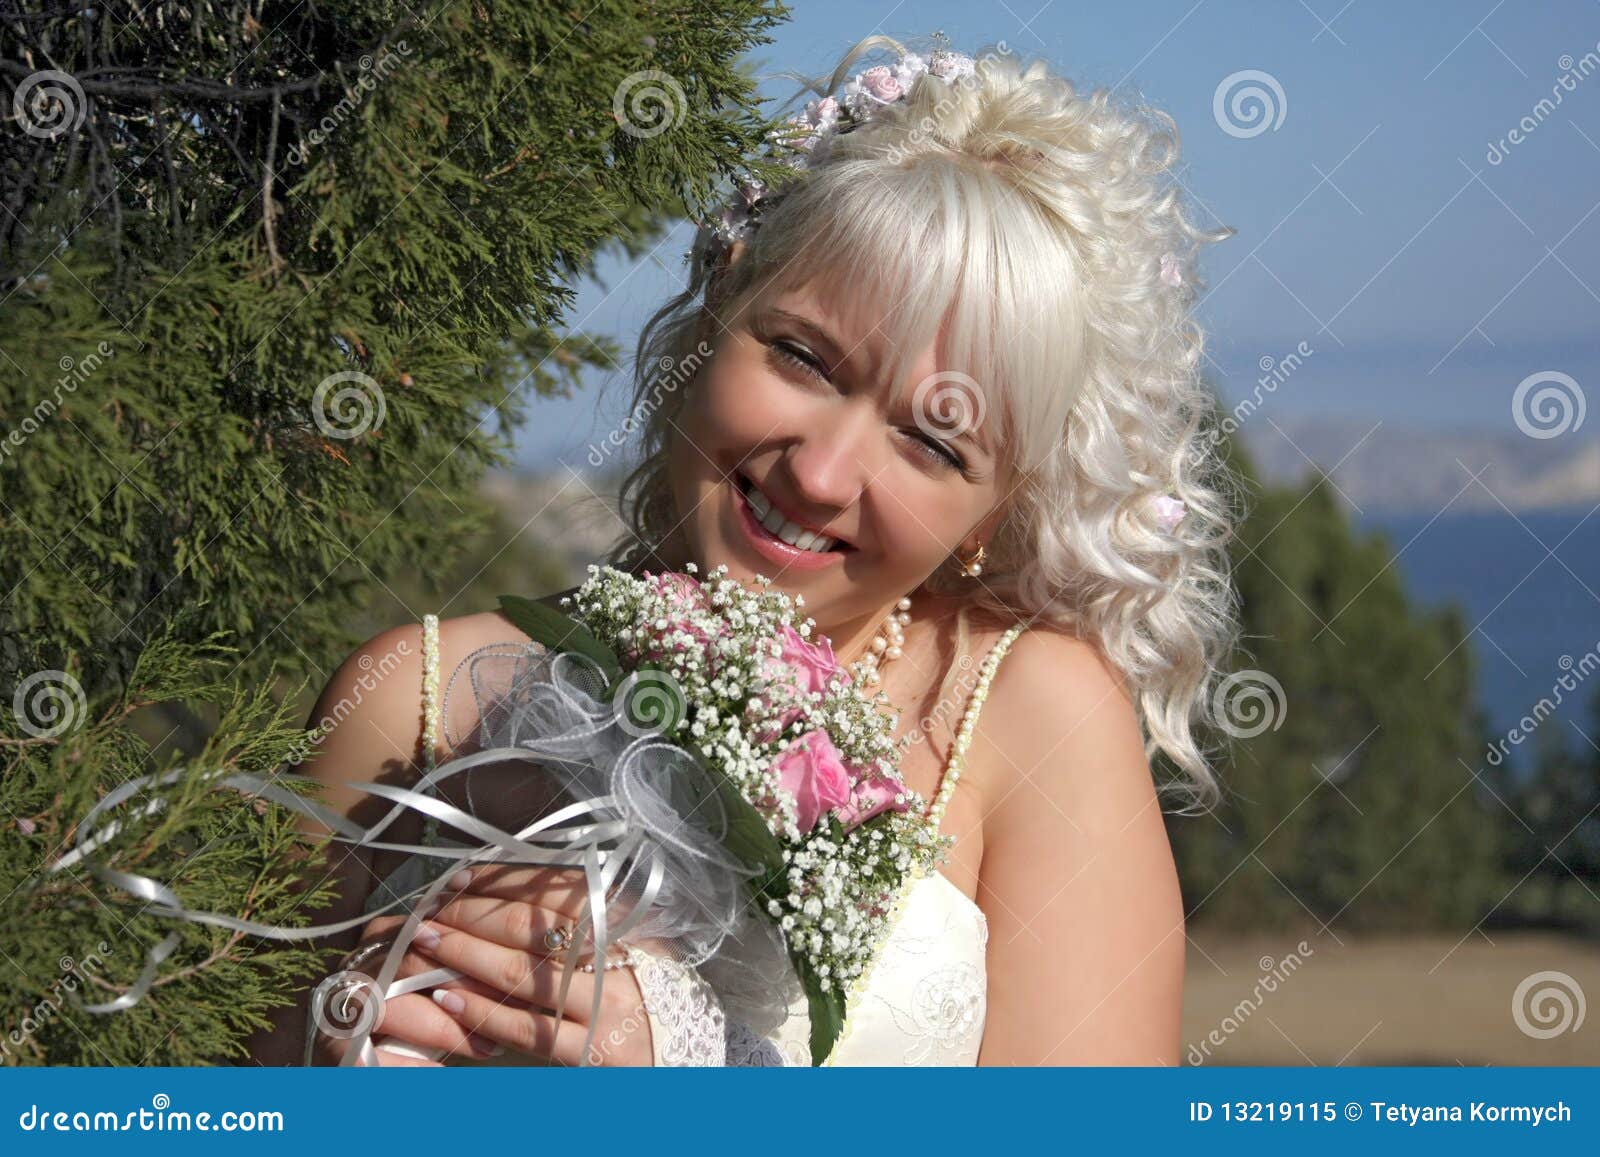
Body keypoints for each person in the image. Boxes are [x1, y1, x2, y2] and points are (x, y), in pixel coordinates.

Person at [247, 31, 1238, 1068]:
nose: (820, 472)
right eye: (803, 357)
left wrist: (678, 1063)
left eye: (932, 440)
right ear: (719, 310)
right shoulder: (413, 693)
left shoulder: (1033, 718)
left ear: (992, 514)